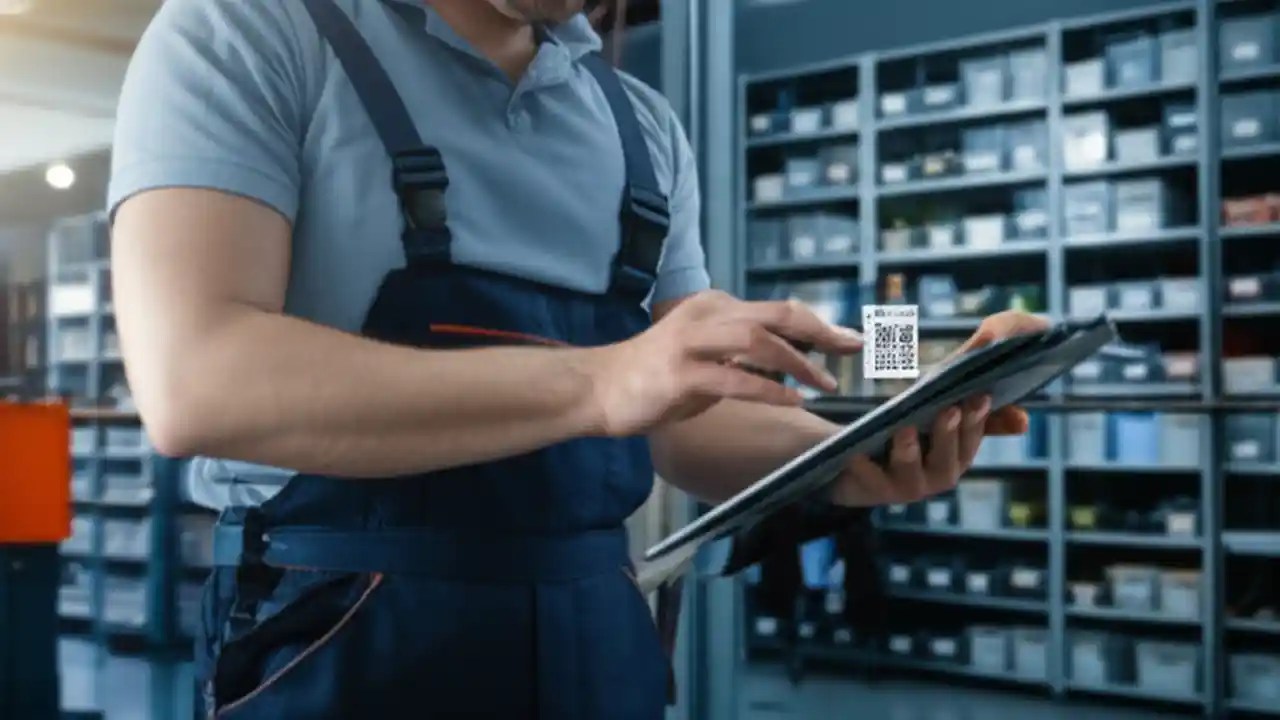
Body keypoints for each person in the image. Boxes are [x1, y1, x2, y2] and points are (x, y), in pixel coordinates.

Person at [107, 0, 1047, 716]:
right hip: (337, 632)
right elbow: (199, 382)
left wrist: (862, 449)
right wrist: (602, 379)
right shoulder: (247, 35)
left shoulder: (641, 124)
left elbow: (687, 422)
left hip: (599, 629)